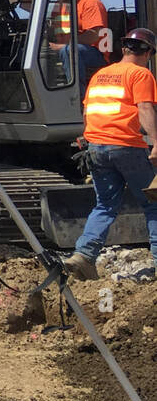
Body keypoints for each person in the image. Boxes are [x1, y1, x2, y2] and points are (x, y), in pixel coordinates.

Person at [62, 27, 157, 283]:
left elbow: (87, 113)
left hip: (96, 147)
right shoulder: (141, 74)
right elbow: (145, 108)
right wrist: (156, 142)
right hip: (126, 146)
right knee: (153, 204)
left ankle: (83, 254)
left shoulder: (101, 75)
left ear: (124, 48)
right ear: (147, 52)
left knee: (105, 205)